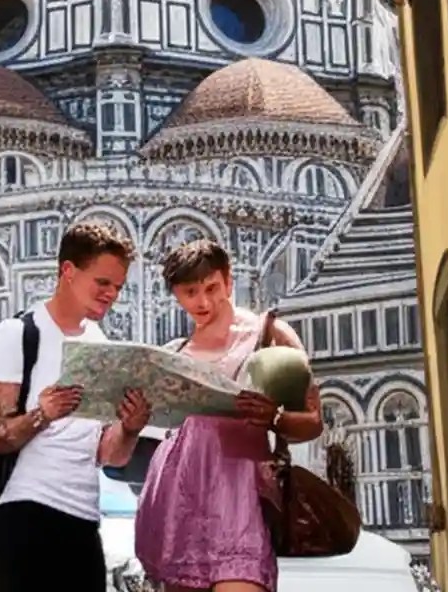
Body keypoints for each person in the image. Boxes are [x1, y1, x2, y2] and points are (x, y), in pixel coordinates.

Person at [135, 239, 324, 592]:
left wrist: (274, 419)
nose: (203, 301)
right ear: (176, 294)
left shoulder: (268, 333)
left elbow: (314, 421)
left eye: (212, 288)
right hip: (179, 501)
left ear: (228, 281)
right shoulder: (173, 355)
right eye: (190, 292)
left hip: (241, 499)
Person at [0, 221, 153, 592]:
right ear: (68, 272)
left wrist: (131, 427)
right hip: (27, 511)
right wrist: (43, 414)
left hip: (84, 519)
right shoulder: (18, 335)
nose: (111, 294)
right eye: (103, 283)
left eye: (118, 287)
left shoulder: (100, 343)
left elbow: (109, 455)